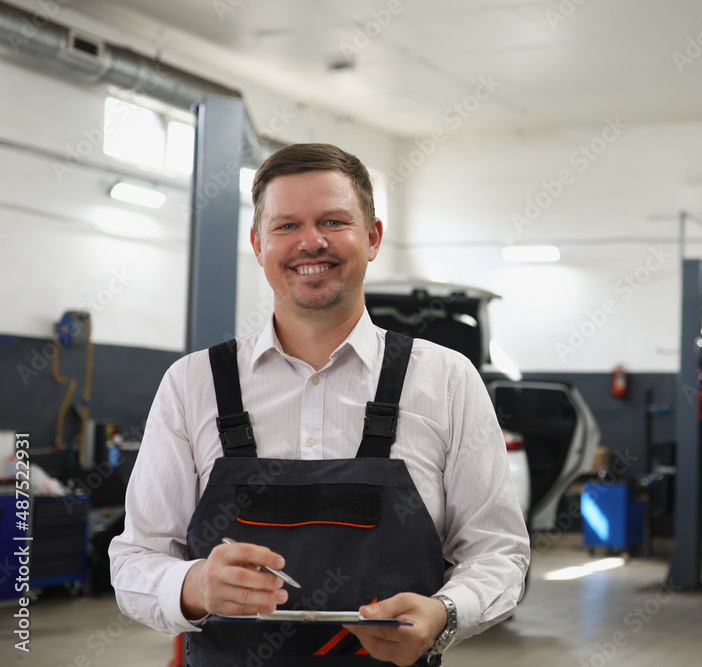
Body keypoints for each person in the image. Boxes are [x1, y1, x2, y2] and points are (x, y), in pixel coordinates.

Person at [109, 143, 530, 666]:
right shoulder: (191, 384)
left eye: (333, 220)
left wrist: (444, 612)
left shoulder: (446, 381)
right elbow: (135, 560)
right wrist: (193, 584)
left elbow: (498, 552)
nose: (311, 242)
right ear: (258, 243)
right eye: (286, 226)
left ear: (372, 237)